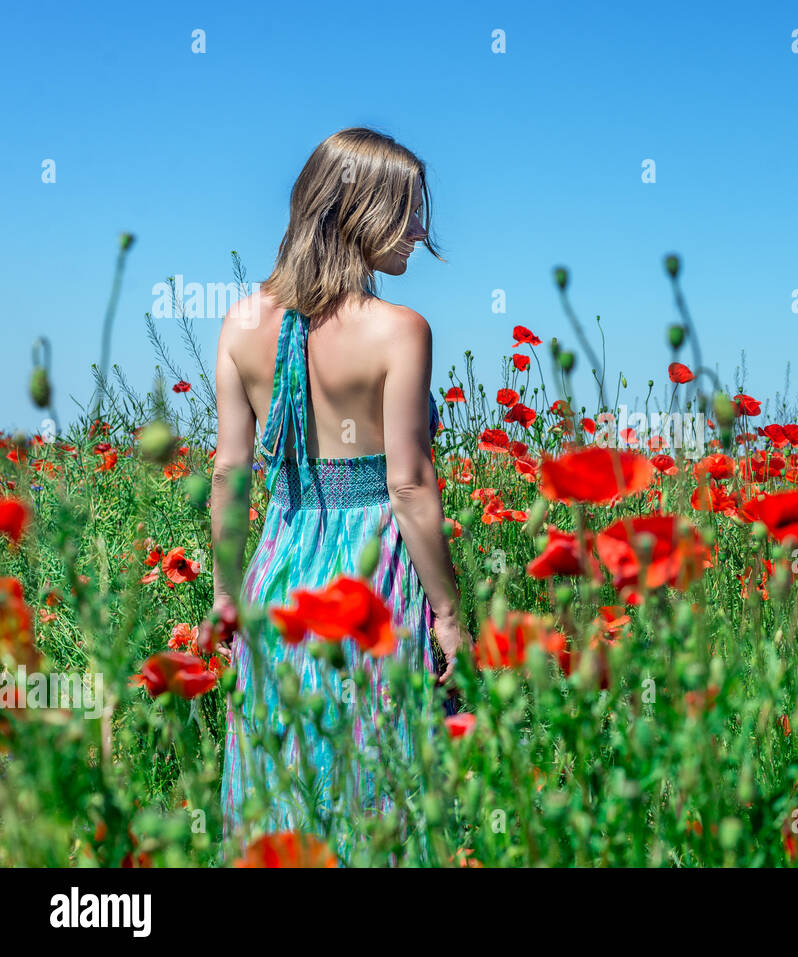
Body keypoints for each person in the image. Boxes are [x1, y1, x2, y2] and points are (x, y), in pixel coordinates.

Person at [209, 128, 469, 852]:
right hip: (371, 583)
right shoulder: (400, 331)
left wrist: (228, 594)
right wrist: (447, 612)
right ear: (357, 210)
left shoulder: (239, 323)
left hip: (275, 577)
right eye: (406, 210)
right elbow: (410, 484)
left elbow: (230, 474)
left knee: (279, 781)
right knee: (378, 784)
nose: (419, 231)